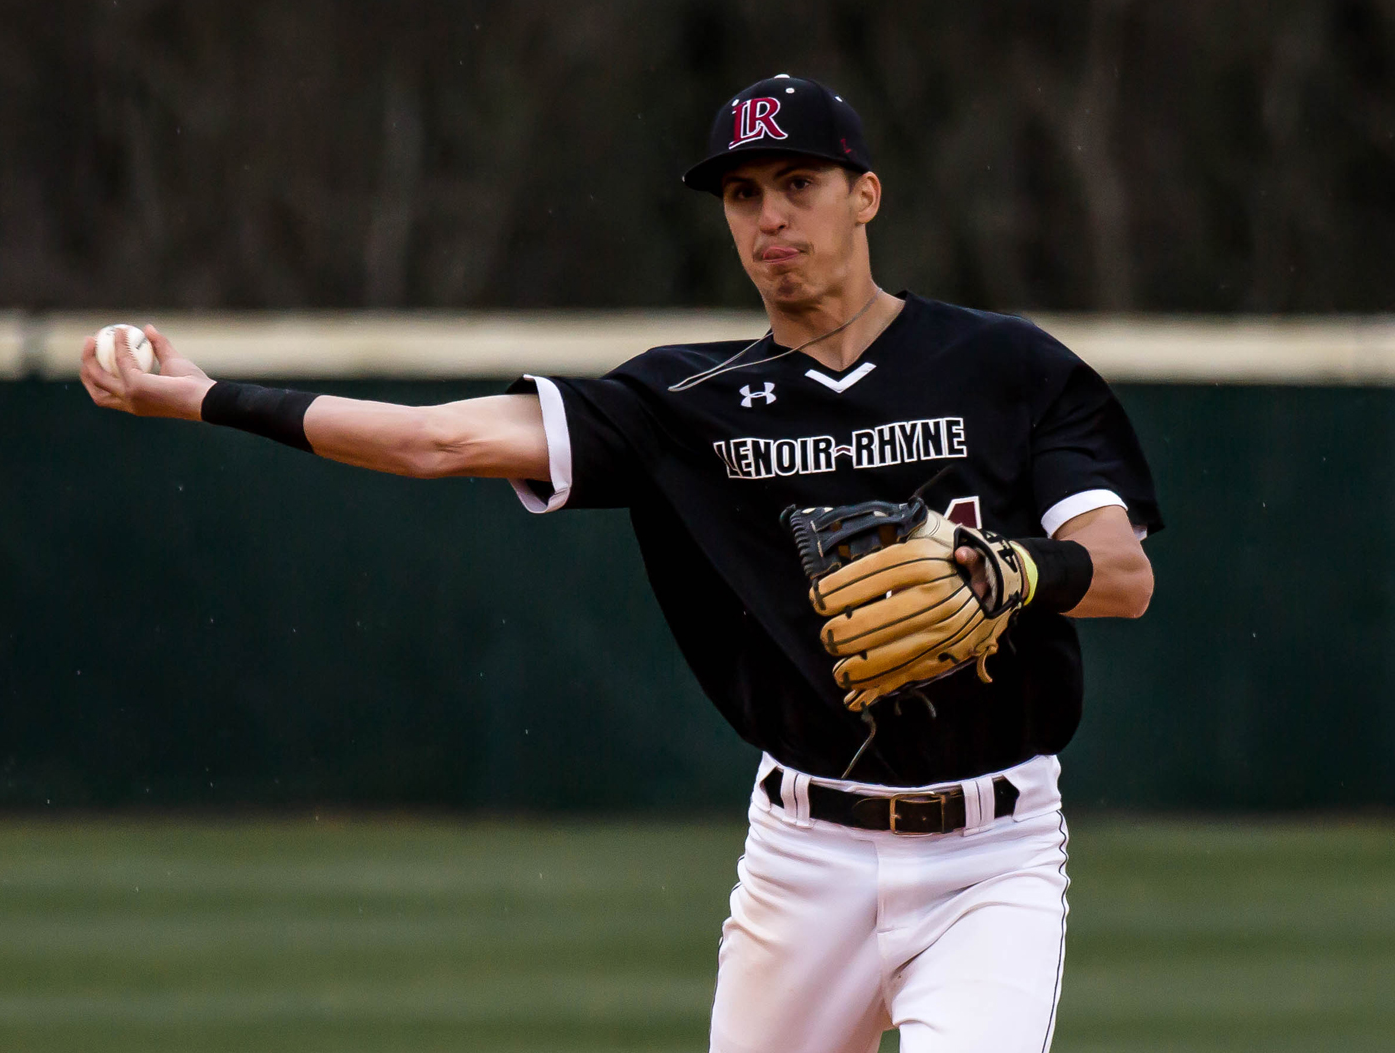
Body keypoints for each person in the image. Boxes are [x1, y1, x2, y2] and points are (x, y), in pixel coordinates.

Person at [81, 73, 1160, 1053]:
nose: (771, 216)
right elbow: (433, 441)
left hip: (990, 855)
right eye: (743, 195)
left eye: (799, 182)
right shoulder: (676, 404)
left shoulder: (1007, 366)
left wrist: (1017, 572)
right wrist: (204, 396)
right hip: (804, 858)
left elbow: (1121, 573)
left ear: (865, 194)